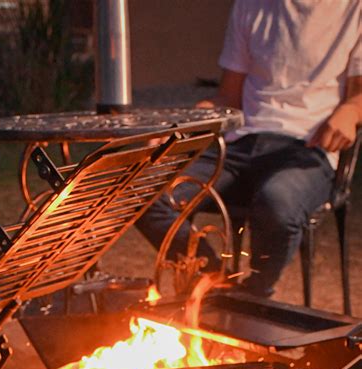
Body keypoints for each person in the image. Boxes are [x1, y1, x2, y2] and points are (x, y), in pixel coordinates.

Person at [137, 0, 362, 298]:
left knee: (277, 204)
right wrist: (181, 127)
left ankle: (253, 296)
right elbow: (228, 97)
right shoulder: (252, 4)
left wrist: (351, 109)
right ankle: (215, 284)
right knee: (143, 190)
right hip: (240, 144)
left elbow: (357, 97)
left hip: (306, 148)